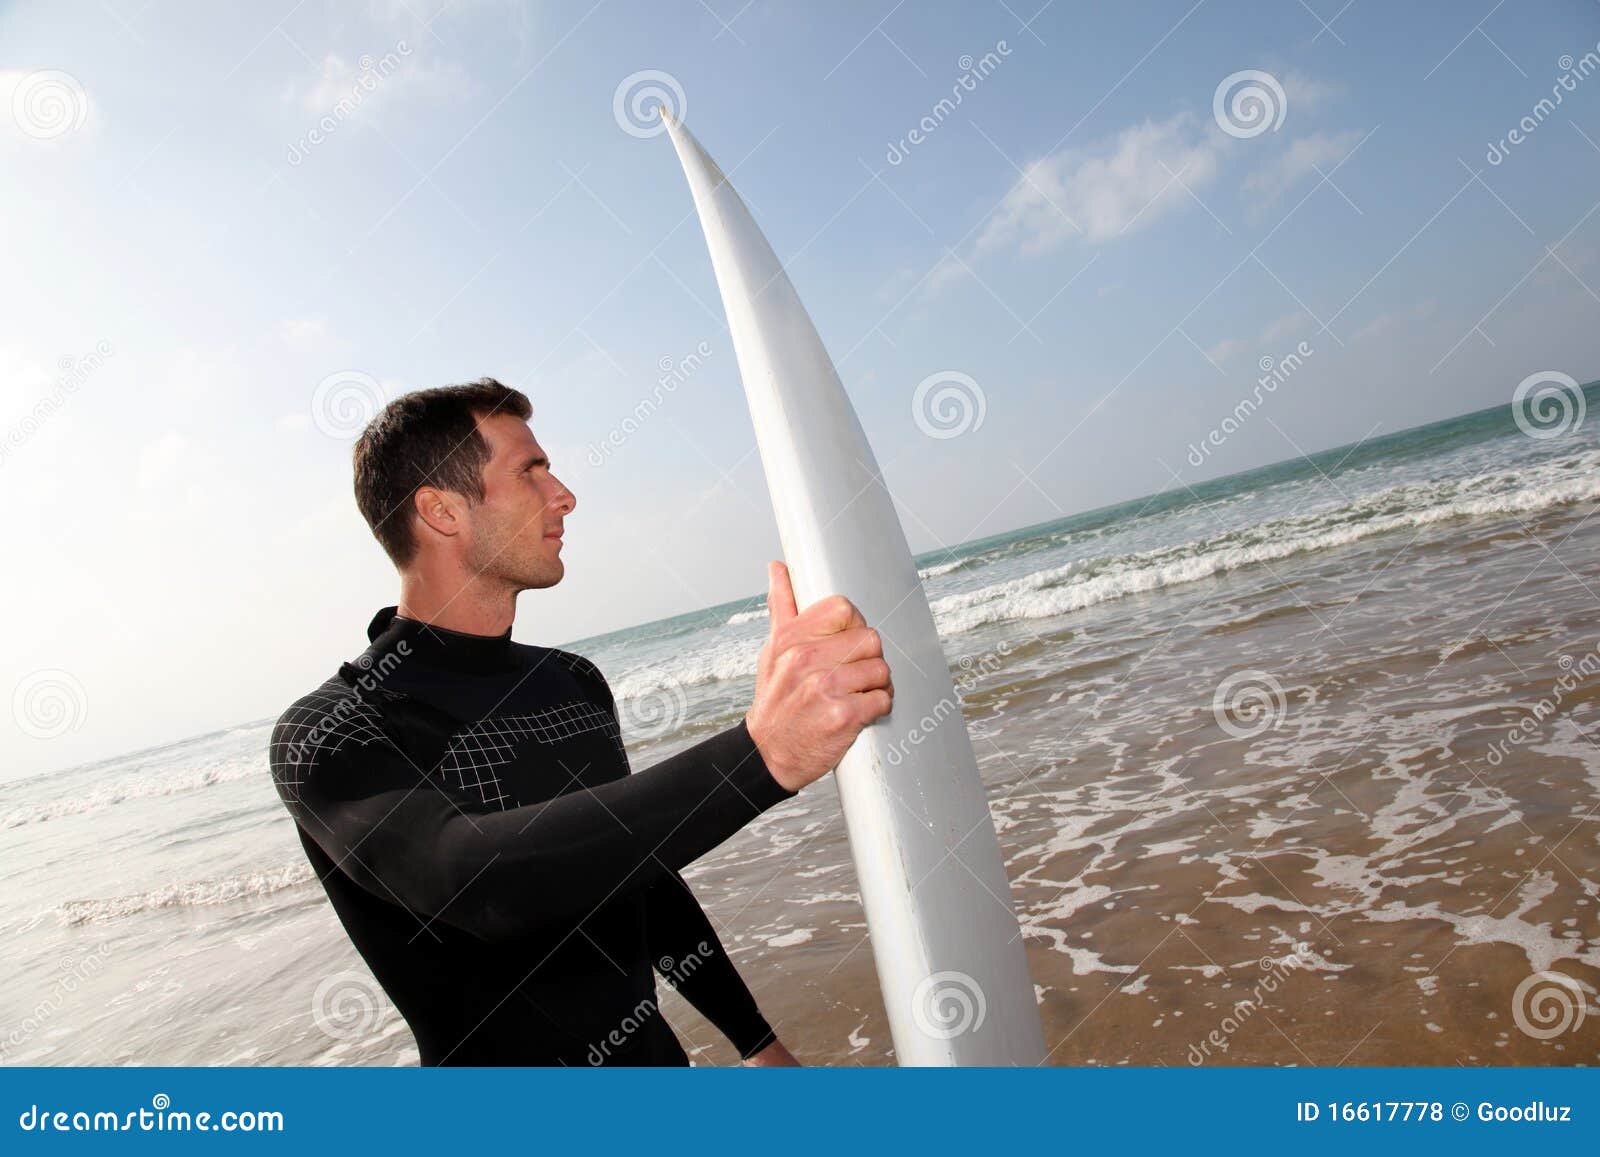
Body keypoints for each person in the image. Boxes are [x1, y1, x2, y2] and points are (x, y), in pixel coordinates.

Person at [268, 378, 893, 1066]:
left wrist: (757, 1042)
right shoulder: (334, 730)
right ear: (442, 510)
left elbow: (642, 880)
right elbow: (475, 879)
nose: (563, 494)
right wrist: (762, 756)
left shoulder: (570, 684)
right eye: (530, 471)